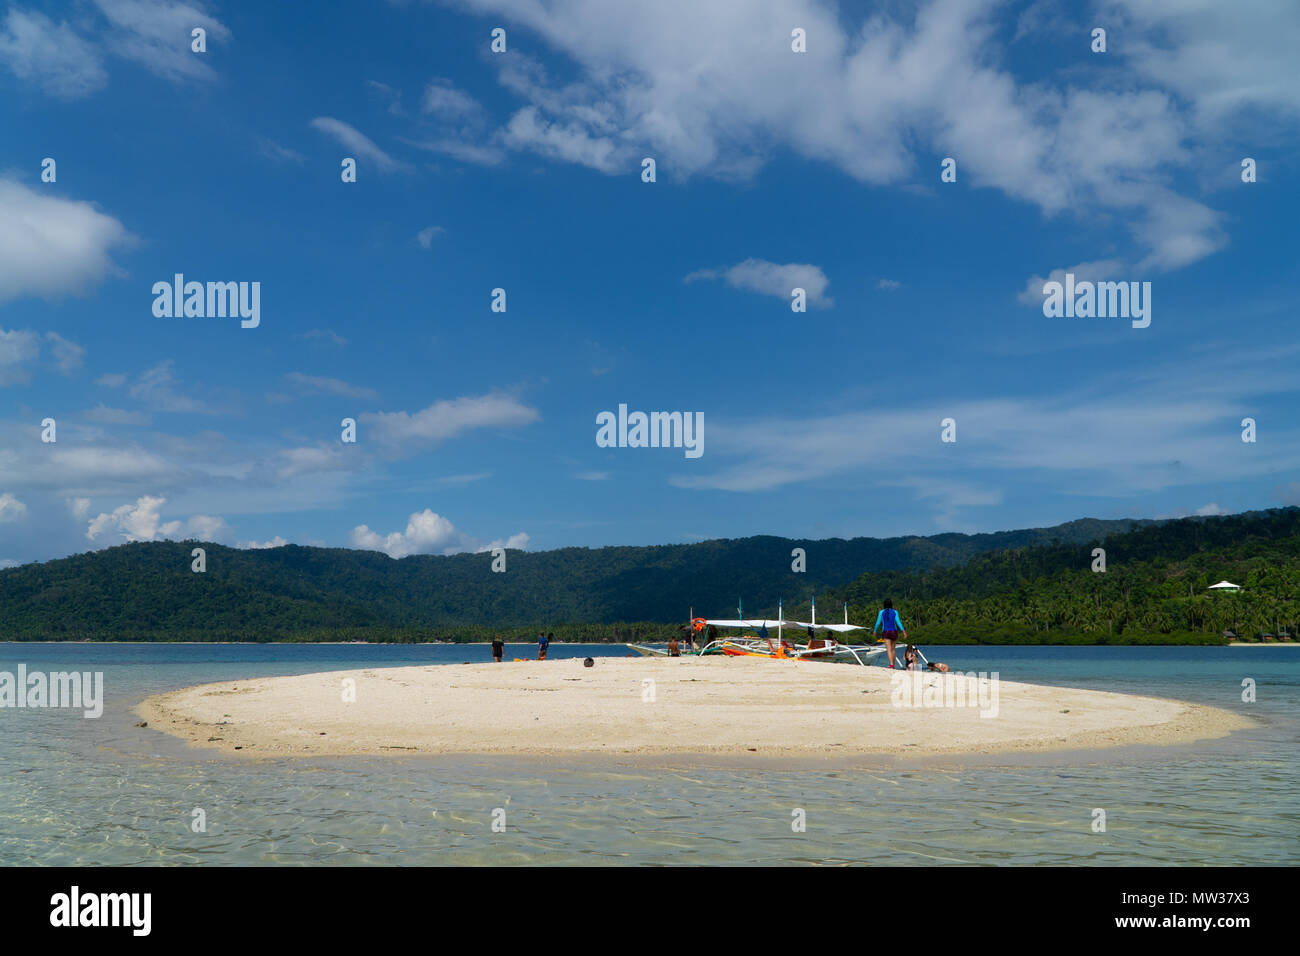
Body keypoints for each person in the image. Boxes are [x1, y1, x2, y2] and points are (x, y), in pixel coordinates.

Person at [872, 599, 906, 668]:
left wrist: (875, 631)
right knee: (893, 649)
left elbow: (878, 623)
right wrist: (903, 631)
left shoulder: (881, 612)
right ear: (891, 605)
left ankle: (891, 665)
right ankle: (893, 664)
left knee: (889, 649)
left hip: (886, 632)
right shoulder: (895, 612)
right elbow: (898, 622)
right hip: (894, 632)